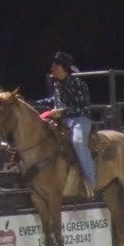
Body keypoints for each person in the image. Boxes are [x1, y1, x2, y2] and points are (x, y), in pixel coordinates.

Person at [40, 51, 95, 190]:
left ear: (61, 67)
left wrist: (62, 112)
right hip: (63, 120)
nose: (51, 68)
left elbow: (83, 107)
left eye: (54, 65)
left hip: (79, 119)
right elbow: (55, 100)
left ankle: (92, 182)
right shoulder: (57, 84)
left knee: (78, 142)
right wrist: (36, 103)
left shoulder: (79, 84)